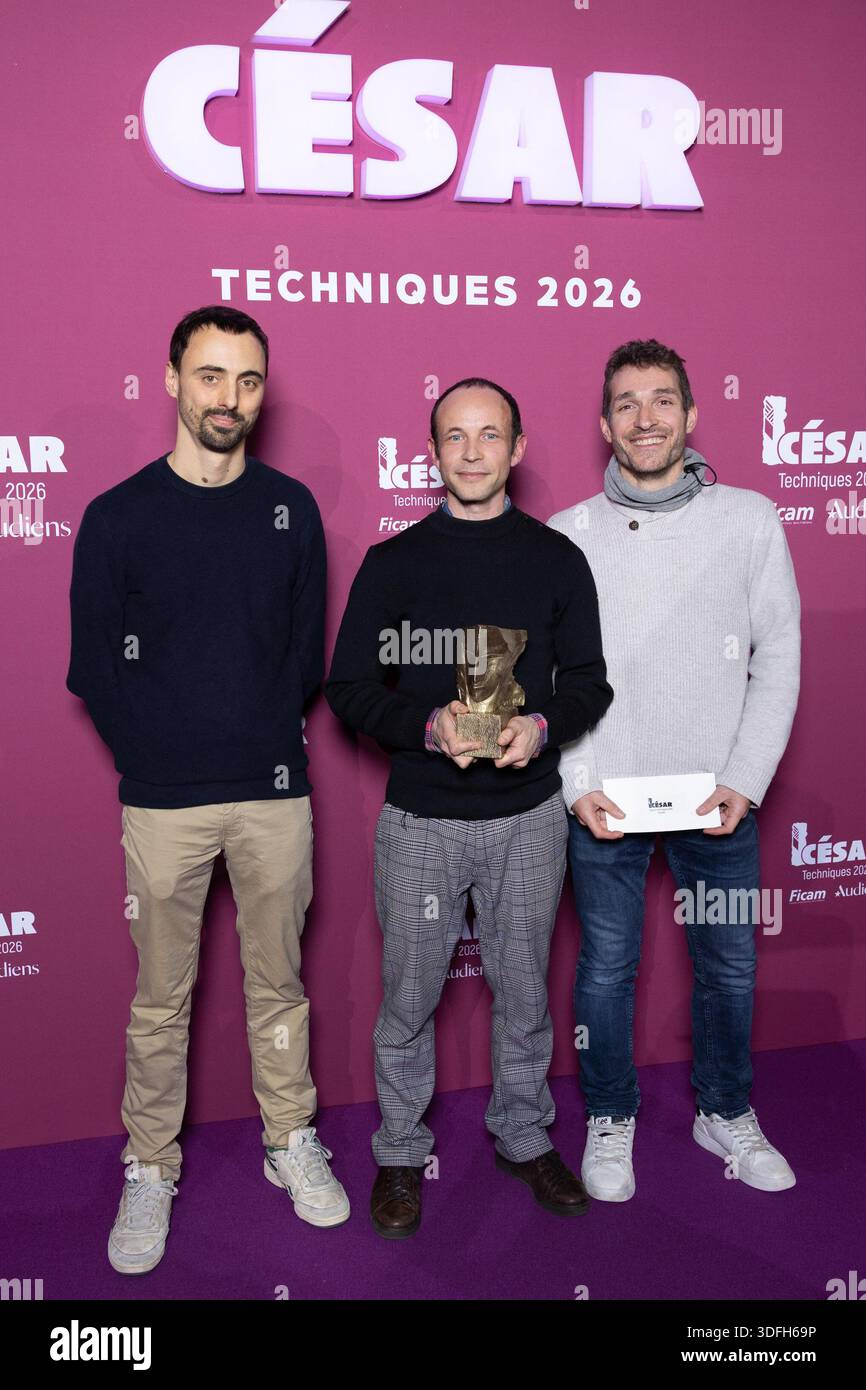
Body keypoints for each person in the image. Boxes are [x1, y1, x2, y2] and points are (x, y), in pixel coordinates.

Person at [66, 305, 349, 1275]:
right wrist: (159, 752)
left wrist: (253, 741)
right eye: (210, 376)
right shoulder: (117, 516)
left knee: (279, 984)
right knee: (160, 1000)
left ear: (262, 391)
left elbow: (303, 656)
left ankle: (288, 1140)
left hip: (273, 793)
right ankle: (150, 1163)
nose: (228, 398)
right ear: (173, 381)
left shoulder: (289, 511)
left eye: (247, 379)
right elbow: (93, 669)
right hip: (160, 801)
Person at [325, 378, 613, 1237]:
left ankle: (523, 1137)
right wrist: (423, 723)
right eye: (456, 436)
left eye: (491, 435)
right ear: (434, 451)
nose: (474, 451)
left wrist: (540, 726)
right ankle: (401, 1154)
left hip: (527, 816)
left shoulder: (557, 558)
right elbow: (345, 689)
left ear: (516, 449)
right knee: (409, 997)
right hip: (422, 820)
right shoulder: (393, 564)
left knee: (525, 993)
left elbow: (590, 682)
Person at [547, 339, 800, 1202]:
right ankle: (610, 1115)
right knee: (606, 970)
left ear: (690, 416)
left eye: (662, 401)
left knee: (729, 965)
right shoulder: (568, 535)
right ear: (605, 423)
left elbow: (780, 658)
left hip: (717, 801)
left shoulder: (751, 518)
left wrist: (747, 777)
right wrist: (580, 785)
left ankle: (723, 1110)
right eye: (626, 403)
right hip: (608, 801)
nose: (645, 418)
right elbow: (554, 682)